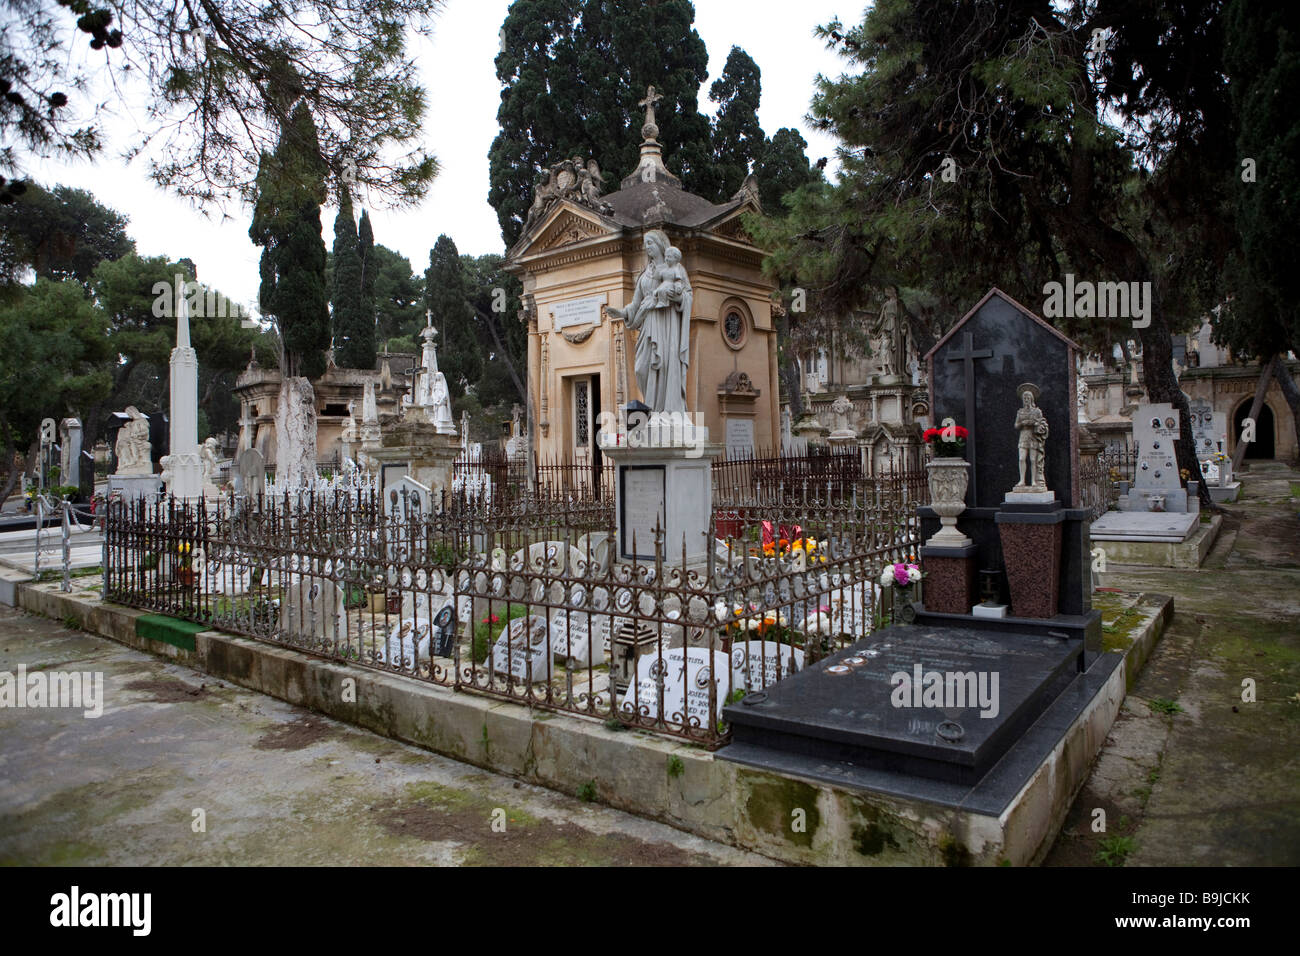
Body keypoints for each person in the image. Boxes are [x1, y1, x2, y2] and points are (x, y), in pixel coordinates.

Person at [606, 229, 692, 415]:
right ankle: (653, 409)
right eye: (645, 244)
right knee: (641, 368)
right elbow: (636, 303)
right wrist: (621, 312)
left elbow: (687, 295)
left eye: (650, 243)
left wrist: (676, 298)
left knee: (665, 365)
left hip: (666, 322)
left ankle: (664, 411)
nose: (647, 247)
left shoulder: (676, 269)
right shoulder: (645, 274)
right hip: (647, 322)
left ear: (660, 245)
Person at [1014, 388, 1049, 491]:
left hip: (1033, 436)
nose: (1026, 399)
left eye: (1028, 397)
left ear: (1032, 399)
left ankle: (1034, 481)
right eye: (1024, 397)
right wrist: (1022, 423)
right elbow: (1016, 425)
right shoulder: (1020, 412)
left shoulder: (1037, 411)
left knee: (1033, 459)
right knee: (1021, 458)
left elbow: (1041, 423)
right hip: (1023, 435)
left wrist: (1034, 423)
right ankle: (1022, 480)